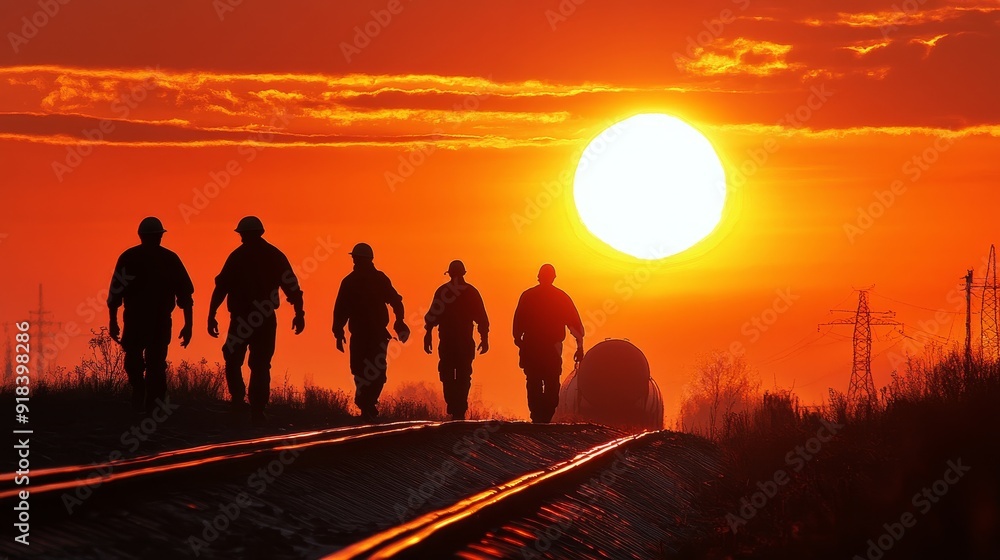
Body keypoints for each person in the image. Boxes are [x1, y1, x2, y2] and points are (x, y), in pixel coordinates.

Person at [207, 216, 304, 426]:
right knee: (258, 364)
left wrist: (211, 315)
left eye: (242, 234)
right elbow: (292, 288)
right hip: (263, 319)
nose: (242, 238)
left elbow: (221, 288)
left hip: (243, 319)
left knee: (237, 359)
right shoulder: (273, 256)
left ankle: (242, 402)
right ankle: (254, 408)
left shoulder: (238, 257)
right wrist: (299, 313)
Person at [108, 217, 194, 414]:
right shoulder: (156, 259)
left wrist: (113, 320)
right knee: (140, 363)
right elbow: (116, 294)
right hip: (145, 320)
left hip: (151, 320)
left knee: (152, 364)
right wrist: (188, 325)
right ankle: (145, 397)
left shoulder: (137, 258)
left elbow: (185, 296)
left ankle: (152, 405)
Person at [333, 242, 410, 420]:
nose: (354, 261)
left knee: (372, 372)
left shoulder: (365, 280)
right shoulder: (356, 281)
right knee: (364, 371)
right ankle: (365, 404)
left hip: (373, 335)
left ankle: (367, 403)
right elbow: (341, 310)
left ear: (361, 259)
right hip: (365, 335)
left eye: (356, 258)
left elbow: (395, 301)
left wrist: (400, 321)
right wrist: (338, 332)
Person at [512, 264, 585, 423]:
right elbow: (575, 325)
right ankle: (542, 417)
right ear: (553, 277)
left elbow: (517, 324)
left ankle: (539, 417)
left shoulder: (528, 296)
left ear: (539, 276)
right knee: (549, 382)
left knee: (535, 382)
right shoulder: (561, 298)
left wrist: (520, 342)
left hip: (533, 347)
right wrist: (580, 346)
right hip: (550, 349)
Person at [423, 260, 489, 421]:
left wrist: (428, 335)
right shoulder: (470, 292)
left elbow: (431, 318)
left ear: (451, 273)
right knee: (461, 375)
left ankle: (456, 406)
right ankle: (457, 406)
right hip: (460, 343)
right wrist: (484, 338)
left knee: (454, 375)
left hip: (450, 342)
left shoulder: (444, 292)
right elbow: (482, 319)